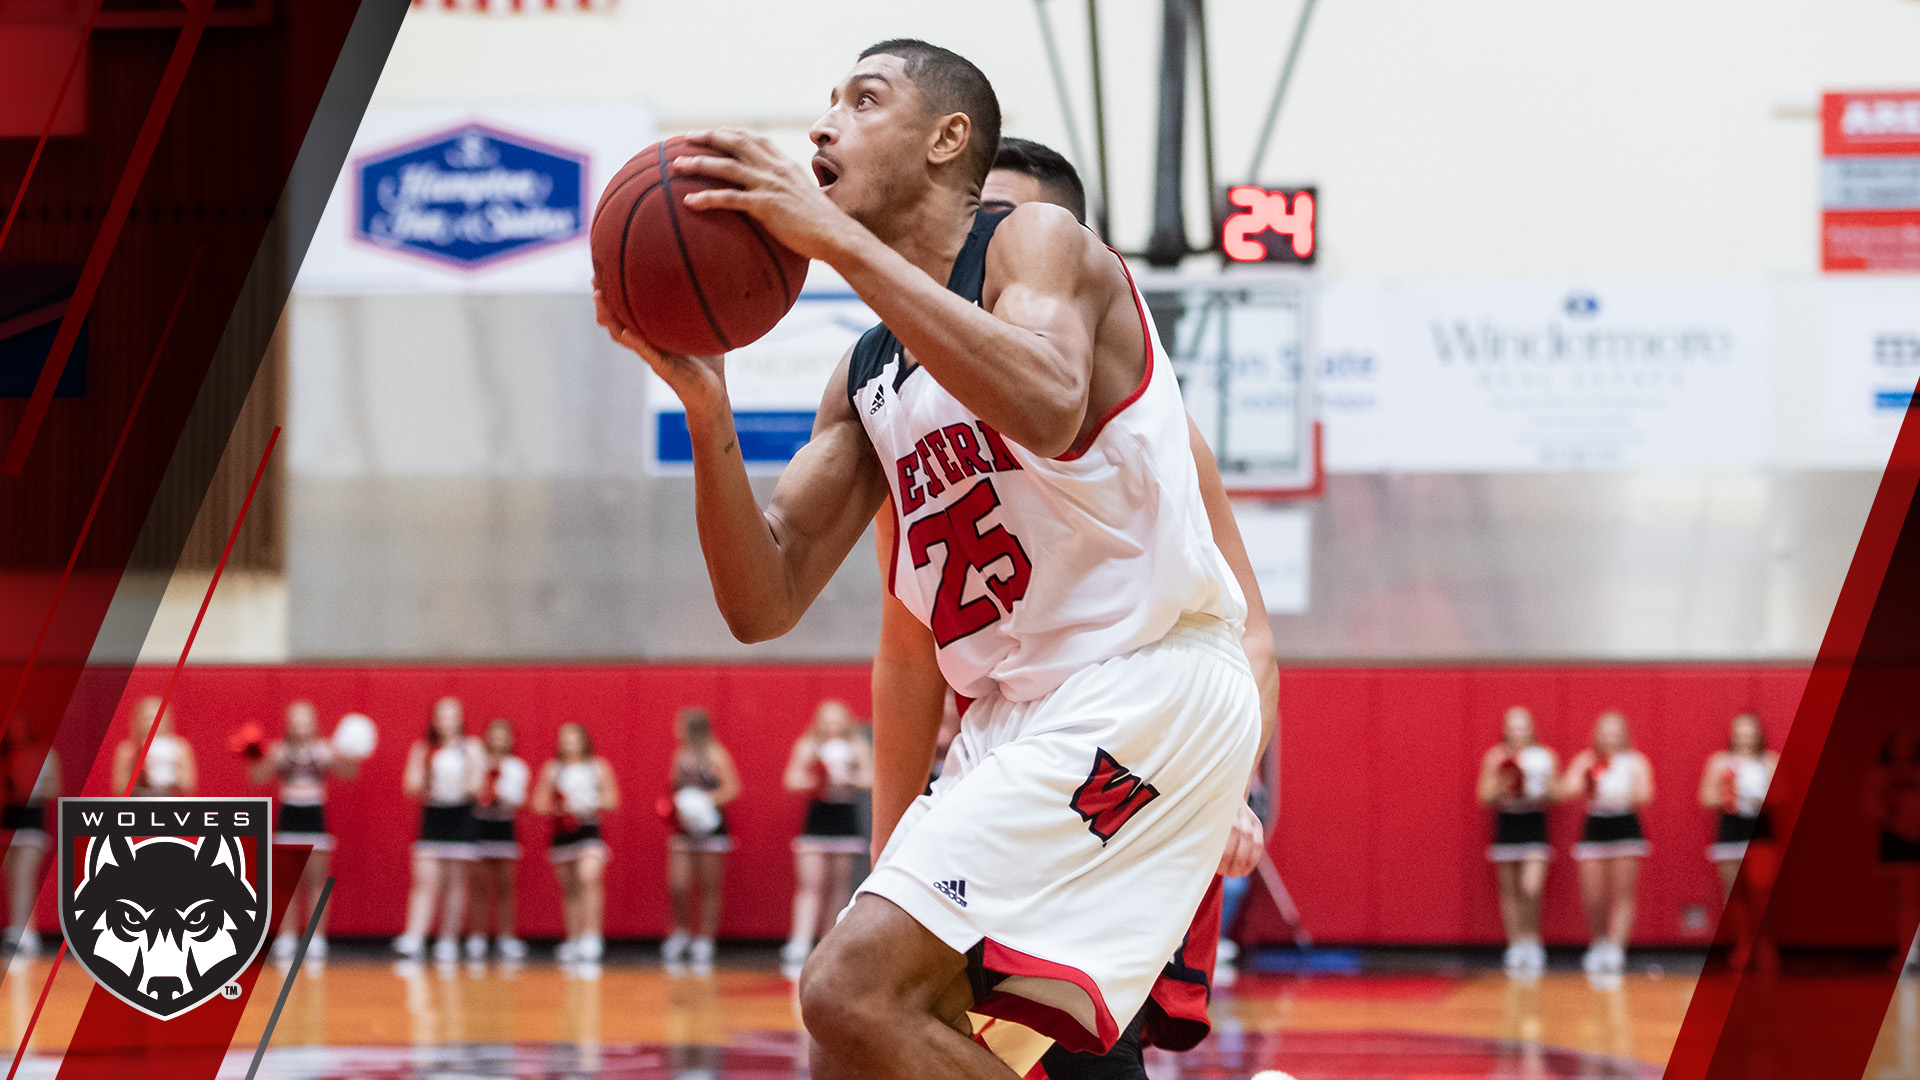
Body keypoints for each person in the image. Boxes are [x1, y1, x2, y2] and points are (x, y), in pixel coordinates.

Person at [595, 40, 1265, 1076]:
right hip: (1008, 723)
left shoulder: (1033, 244)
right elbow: (761, 598)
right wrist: (704, 404)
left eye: (864, 100)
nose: (824, 126)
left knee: (848, 992)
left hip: (1144, 686)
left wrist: (834, 241)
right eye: (825, 103)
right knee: (861, 1041)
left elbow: (1045, 400)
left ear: (949, 140)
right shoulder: (867, 376)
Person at [862, 136, 1273, 1078]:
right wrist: (890, 853)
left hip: (1135, 737)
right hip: (1007, 759)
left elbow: (1248, 629)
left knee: (904, 1013)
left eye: (1002, 229)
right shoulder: (911, 414)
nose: (981, 262)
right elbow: (906, 647)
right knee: (906, 1023)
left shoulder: (1143, 420)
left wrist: (1230, 788)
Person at [248, 700, 359, 965]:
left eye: (306, 719)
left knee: (316, 882)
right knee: (287, 883)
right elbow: (257, 777)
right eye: (295, 719)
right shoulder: (279, 749)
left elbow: (350, 772)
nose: (300, 725)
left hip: (315, 818)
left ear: (315, 722)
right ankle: (287, 936)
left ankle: (316, 938)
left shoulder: (324, 749)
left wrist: (349, 753)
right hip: (288, 818)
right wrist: (253, 754)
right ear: (288, 723)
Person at [781, 700, 875, 976]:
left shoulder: (857, 747)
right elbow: (791, 779)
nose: (832, 726)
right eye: (827, 720)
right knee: (810, 884)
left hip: (844, 819)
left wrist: (848, 776)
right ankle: (799, 943)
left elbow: (869, 778)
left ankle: (829, 941)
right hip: (817, 820)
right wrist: (817, 779)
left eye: (838, 720)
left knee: (839, 885)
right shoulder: (808, 745)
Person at [1559, 711, 1653, 975]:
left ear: (1624, 733)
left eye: (1616, 730)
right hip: (1595, 827)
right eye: (1605, 730)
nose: (1611, 736)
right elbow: (1566, 789)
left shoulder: (1635, 761)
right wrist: (1583, 782)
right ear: (1597, 734)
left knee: (1623, 893)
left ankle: (1616, 947)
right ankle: (1598, 942)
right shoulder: (1587, 760)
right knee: (1593, 895)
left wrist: (1623, 792)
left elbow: (1646, 794)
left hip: (1625, 825)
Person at [395, 695, 485, 962]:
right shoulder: (423, 749)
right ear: (434, 720)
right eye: (442, 715)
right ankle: (415, 936)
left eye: (453, 715)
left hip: (460, 815)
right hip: (433, 816)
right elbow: (410, 786)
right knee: (424, 879)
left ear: (460, 719)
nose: (447, 721)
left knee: (456, 881)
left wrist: (461, 784)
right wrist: (429, 782)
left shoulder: (471, 747)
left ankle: (448, 938)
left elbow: (478, 786)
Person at [1476, 705, 1557, 976]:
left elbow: (1555, 792)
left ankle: (1532, 939)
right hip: (1507, 822)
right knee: (1509, 889)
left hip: (1534, 822)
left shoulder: (1544, 756)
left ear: (1532, 728)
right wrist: (1503, 784)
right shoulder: (1496, 756)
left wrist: (1543, 789)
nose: (1517, 732)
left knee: (1531, 887)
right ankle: (1516, 944)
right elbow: (1484, 795)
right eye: (1512, 726)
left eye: (1522, 726)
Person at [533, 722, 619, 964]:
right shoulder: (553, 769)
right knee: (570, 887)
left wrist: (588, 802)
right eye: (564, 738)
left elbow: (612, 799)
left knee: (588, 877)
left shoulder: (597, 767)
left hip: (588, 831)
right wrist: (559, 806)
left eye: (574, 738)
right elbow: (538, 802)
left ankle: (592, 935)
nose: (569, 743)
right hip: (562, 833)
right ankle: (574, 937)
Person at [663, 707, 740, 975]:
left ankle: (705, 939)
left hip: (711, 827)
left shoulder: (716, 754)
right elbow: (673, 786)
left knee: (709, 884)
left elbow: (732, 787)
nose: (676, 729)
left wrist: (704, 801)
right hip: (684, 829)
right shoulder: (680, 756)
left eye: (679, 725)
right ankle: (682, 930)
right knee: (678, 883)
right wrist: (681, 805)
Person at [1699, 712, 1777, 971]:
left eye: (1750, 730)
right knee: (1734, 893)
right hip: (1729, 831)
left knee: (1761, 892)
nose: (1745, 736)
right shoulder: (1720, 762)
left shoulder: (1769, 761)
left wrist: (1761, 799)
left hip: (1761, 832)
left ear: (1758, 733)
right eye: (1740, 730)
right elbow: (1705, 797)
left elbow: (1783, 795)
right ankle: (1743, 945)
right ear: (1732, 734)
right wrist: (1730, 796)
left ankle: (1763, 944)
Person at [468, 718, 531, 962]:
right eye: (494, 735)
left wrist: (506, 794)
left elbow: (522, 798)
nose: (499, 740)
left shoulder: (517, 766)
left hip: (504, 826)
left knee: (506, 885)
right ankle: (477, 937)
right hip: (480, 825)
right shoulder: (478, 762)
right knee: (479, 885)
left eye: (504, 735)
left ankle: (506, 937)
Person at [1, 714, 57, 961]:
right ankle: (22, 931)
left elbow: (55, 788)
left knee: (24, 877)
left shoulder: (45, 755)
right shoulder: (5, 758)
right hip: (7, 824)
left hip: (33, 825)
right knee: (11, 879)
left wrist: (30, 789)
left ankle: (21, 936)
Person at [1866, 721, 1920, 969]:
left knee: (1909, 899)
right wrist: (1891, 813)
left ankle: (1909, 954)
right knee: (1895, 902)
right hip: (1891, 840)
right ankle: (1906, 948)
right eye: (1900, 743)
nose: (1904, 748)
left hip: (1915, 841)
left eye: (1909, 744)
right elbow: (1869, 806)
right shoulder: (1880, 773)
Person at [113, 695, 197, 797]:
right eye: (147, 717)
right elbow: (119, 788)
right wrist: (138, 774)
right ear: (138, 719)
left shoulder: (180, 747)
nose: (152, 722)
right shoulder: (127, 749)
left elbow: (188, 785)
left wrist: (169, 777)